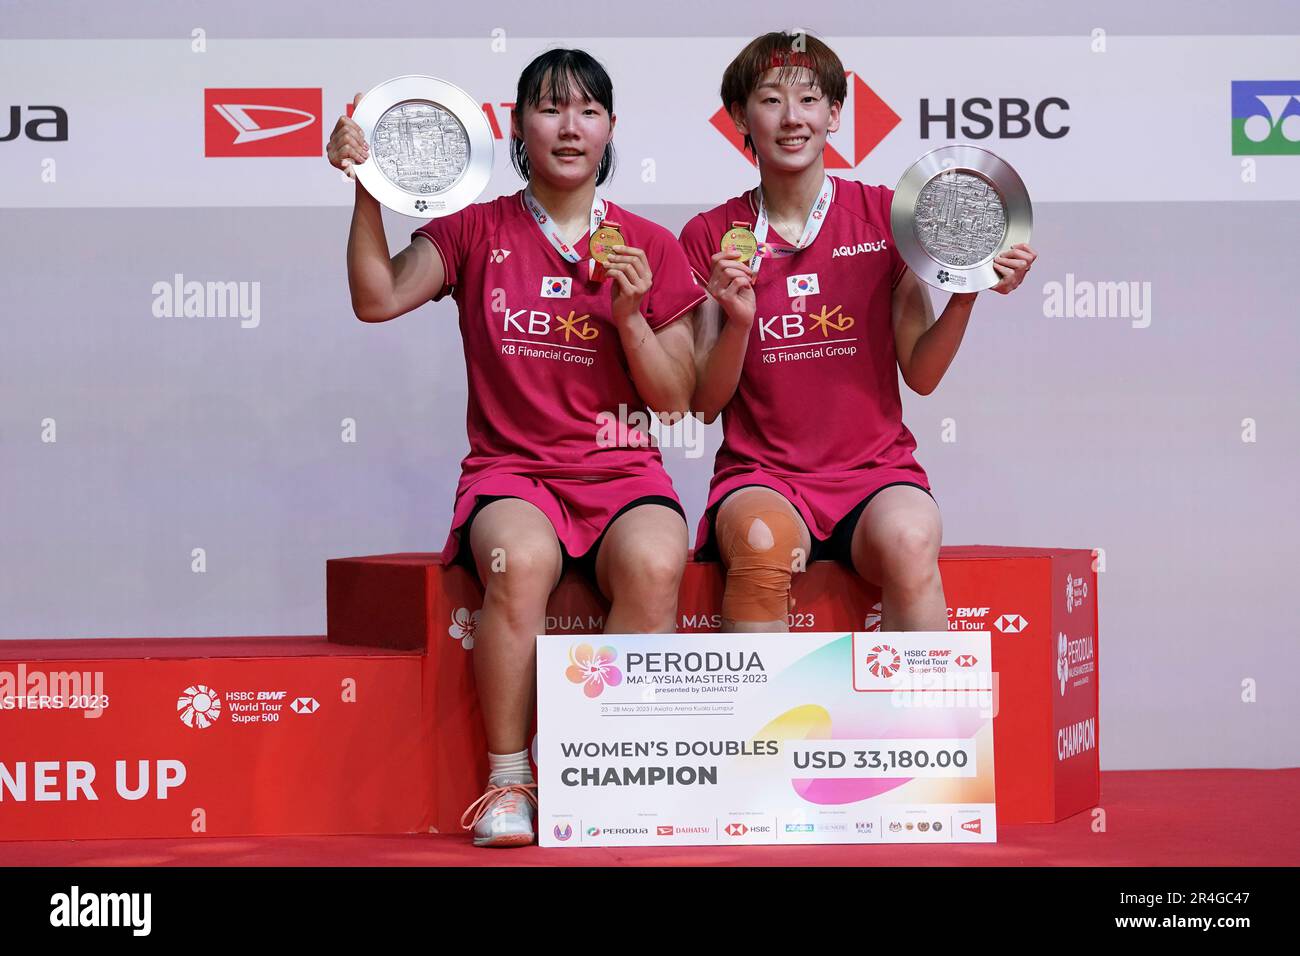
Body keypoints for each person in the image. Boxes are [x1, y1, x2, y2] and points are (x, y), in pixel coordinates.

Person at [327, 49, 704, 846]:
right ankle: (508, 783)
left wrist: (632, 315)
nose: (570, 127)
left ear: (610, 131)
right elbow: (377, 297)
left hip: (622, 470)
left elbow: (676, 403)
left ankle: (611, 770)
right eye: (550, 109)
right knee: (520, 563)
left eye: (589, 111)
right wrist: (370, 189)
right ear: (517, 128)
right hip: (513, 473)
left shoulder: (650, 245)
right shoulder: (475, 229)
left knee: (656, 563)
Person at [681, 31, 1037, 634]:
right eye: (770, 100)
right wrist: (738, 322)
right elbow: (705, 403)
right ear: (740, 115)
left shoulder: (887, 218)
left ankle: (925, 728)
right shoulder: (710, 235)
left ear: (836, 114)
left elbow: (920, 376)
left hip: (875, 475)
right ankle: (764, 731)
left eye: (811, 100)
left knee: (911, 537)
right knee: (761, 543)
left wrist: (967, 287)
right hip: (762, 476)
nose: (792, 119)